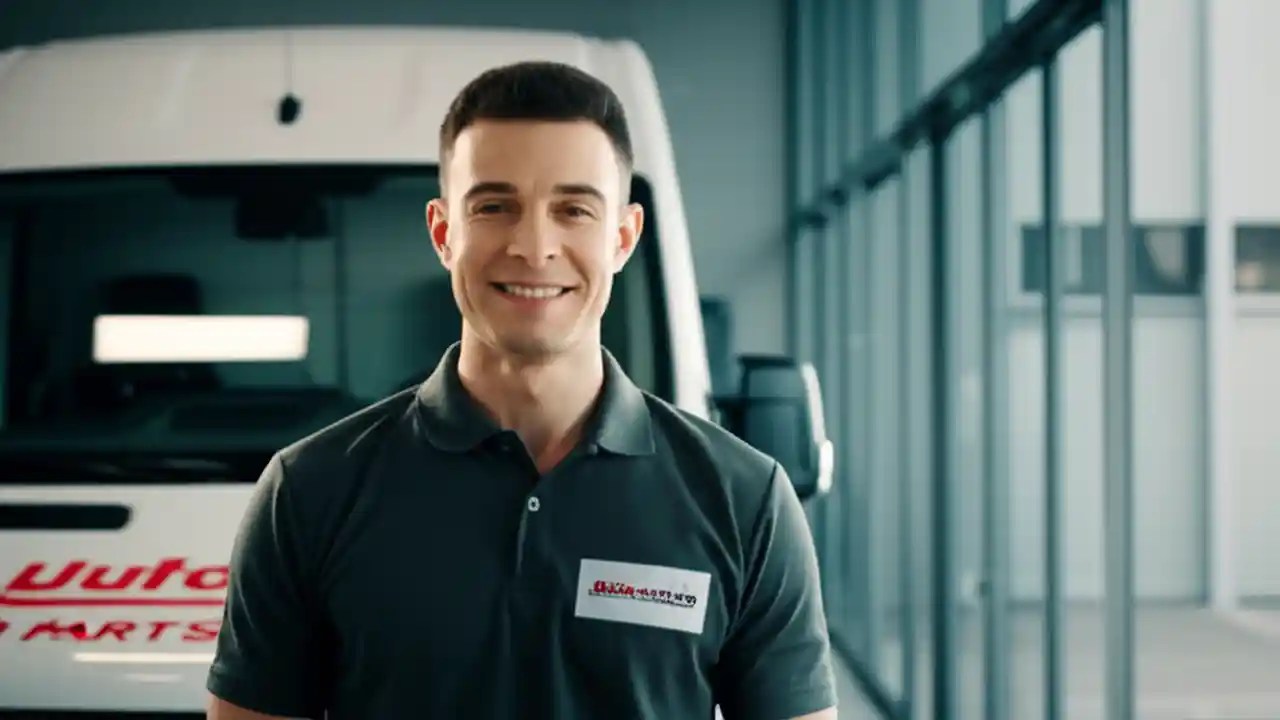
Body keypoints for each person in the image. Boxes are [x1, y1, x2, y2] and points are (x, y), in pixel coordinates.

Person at [206, 60, 838, 720]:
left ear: (622, 237)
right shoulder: (309, 491)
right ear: (443, 231)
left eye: (573, 209)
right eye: (494, 206)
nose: (534, 247)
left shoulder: (743, 501)